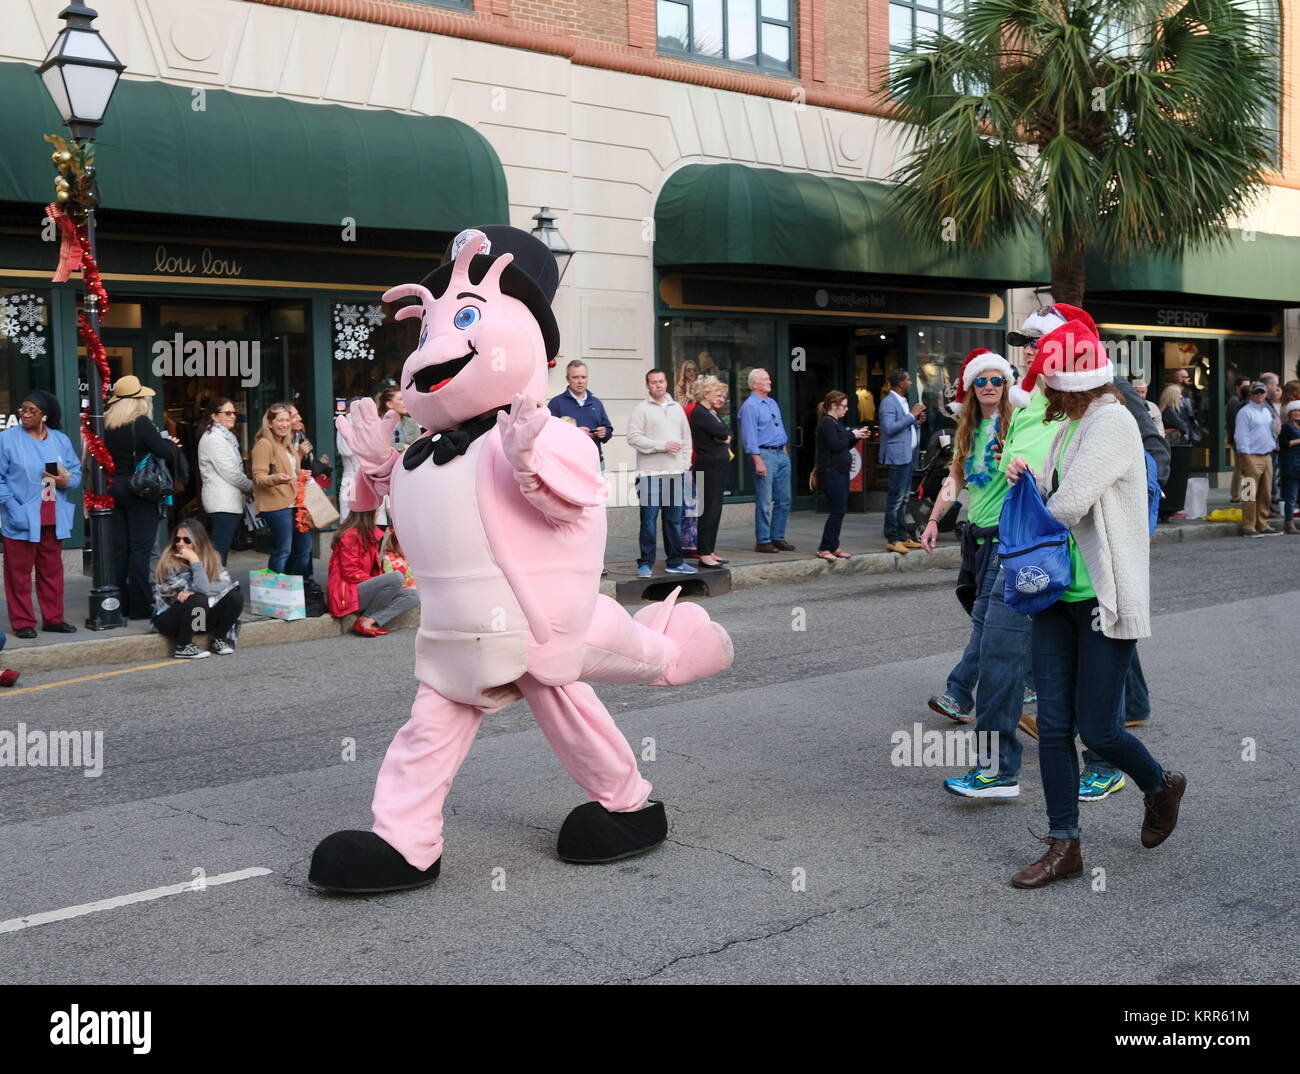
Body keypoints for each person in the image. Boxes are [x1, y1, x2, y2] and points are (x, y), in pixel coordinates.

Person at [1005, 318, 1186, 889]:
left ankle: (1160, 786)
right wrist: (1026, 475)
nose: (1040, 395)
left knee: (1100, 731)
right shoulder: (1071, 425)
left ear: (1067, 383)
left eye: (1046, 383)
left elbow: (1069, 504)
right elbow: (1058, 491)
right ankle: (1065, 845)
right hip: (1057, 597)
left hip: (1103, 600)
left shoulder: (1110, 421)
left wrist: (1036, 498)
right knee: (1055, 727)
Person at [919, 350, 1029, 797]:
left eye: (996, 380)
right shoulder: (967, 430)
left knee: (988, 622)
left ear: (1006, 385)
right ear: (970, 387)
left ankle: (962, 693)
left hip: (1008, 539)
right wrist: (932, 520)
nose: (988, 387)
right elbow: (955, 481)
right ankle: (1028, 690)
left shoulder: (1017, 424)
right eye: (980, 381)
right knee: (991, 625)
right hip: (976, 538)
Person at [0, 389, 82, 638]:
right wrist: (13, 507)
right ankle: (23, 622)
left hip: (53, 515)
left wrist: (64, 480)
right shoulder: (7, 439)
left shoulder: (61, 440)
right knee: (18, 575)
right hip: (21, 516)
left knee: (52, 571)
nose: (24, 414)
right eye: (22, 409)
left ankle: (53, 619)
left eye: (31, 411)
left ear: (44, 416)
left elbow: (76, 475)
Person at [103, 376, 180, 621]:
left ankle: (119, 604)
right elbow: (164, 452)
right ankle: (139, 606)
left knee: (120, 550)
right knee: (141, 550)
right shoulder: (142, 423)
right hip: (140, 489)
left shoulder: (106, 424)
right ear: (138, 400)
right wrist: (170, 443)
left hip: (115, 487)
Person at [627, 368, 696, 578]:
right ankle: (645, 564)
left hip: (675, 473)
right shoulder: (641, 409)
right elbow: (633, 438)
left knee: (674, 521)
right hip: (650, 475)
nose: (658, 385)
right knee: (648, 521)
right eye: (653, 382)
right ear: (647, 385)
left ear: (667, 383)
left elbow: (687, 439)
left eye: (661, 381)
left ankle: (675, 561)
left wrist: (684, 465)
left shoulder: (677, 409)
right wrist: (661, 445)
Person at [152, 518, 243, 659]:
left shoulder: (212, 557)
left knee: (234, 596)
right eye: (177, 539)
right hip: (170, 619)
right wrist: (195, 561)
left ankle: (218, 639)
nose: (180, 544)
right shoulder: (169, 562)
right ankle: (183, 646)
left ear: (198, 541)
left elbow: (226, 584)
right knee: (199, 599)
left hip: (198, 620)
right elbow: (202, 589)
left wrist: (200, 589)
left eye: (186, 540)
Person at [327, 508, 418, 637]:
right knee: (396, 578)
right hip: (347, 594)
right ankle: (366, 619)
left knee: (413, 595)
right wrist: (378, 582)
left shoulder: (369, 534)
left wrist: (379, 582)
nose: (377, 515)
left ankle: (369, 620)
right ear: (366, 514)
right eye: (375, 512)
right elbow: (350, 572)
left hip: (360, 589)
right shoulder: (350, 535)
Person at [252, 402, 313, 575]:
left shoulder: (287, 444)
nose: (284, 424)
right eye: (280, 420)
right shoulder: (265, 444)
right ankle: (275, 592)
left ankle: (295, 589)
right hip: (276, 505)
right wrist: (276, 479)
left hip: (294, 504)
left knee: (303, 549)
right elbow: (258, 477)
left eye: (287, 420)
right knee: (282, 551)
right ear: (269, 423)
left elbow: (292, 471)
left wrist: (302, 474)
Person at [738, 368, 795, 553]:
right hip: (764, 455)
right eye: (765, 379)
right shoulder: (749, 407)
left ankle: (777, 537)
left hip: (780, 454)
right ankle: (763, 540)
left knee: (784, 499)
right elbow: (749, 437)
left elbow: (779, 428)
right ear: (754, 384)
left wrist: (784, 451)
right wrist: (757, 461)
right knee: (764, 500)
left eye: (769, 378)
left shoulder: (772, 403)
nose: (769, 381)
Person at [196, 397, 252, 565]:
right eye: (227, 413)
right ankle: (214, 586)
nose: (233, 416)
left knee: (221, 549)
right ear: (214, 416)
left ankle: (218, 584)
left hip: (228, 501)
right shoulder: (214, 439)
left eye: (234, 412)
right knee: (219, 550)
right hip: (222, 502)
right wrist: (252, 487)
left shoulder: (225, 437)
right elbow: (231, 473)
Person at [814, 390, 868, 562]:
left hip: (840, 472)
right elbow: (836, 445)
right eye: (843, 406)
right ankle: (824, 547)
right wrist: (852, 434)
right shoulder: (827, 423)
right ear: (833, 406)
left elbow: (844, 445)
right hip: (831, 472)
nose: (846, 409)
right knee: (837, 510)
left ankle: (833, 545)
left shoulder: (835, 423)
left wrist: (856, 437)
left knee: (840, 509)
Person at [878, 367, 926, 554]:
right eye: (908, 379)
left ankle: (903, 535)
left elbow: (905, 425)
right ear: (900, 383)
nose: (911, 382)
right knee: (895, 499)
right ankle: (892, 537)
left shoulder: (902, 401)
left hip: (907, 455)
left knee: (904, 499)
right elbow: (889, 428)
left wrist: (916, 421)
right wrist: (911, 416)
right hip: (897, 457)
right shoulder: (889, 403)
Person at [687, 375, 733, 569]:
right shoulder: (700, 412)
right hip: (708, 465)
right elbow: (723, 434)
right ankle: (704, 553)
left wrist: (724, 436)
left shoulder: (711, 412)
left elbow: (728, 432)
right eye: (716, 391)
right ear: (706, 392)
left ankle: (710, 549)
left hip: (717, 464)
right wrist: (723, 437)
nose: (720, 395)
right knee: (709, 510)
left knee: (715, 509)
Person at [547, 360, 613, 470]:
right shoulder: (556, 403)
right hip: (568, 465)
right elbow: (549, 435)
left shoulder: (596, 403)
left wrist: (604, 433)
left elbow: (608, 430)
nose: (580, 381)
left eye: (583, 377)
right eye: (575, 377)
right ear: (568, 379)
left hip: (595, 462)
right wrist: (576, 433)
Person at [1234, 382, 1278, 537]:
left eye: (1262, 392)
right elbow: (1241, 436)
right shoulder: (1244, 412)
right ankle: (1248, 527)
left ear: (1266, 394)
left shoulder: (1266, 410)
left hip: (1267, 455)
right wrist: (1245, 457)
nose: (1259, 395)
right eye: (1256, 392)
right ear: (1251, 394)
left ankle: (1262, 524)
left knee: (1266, 493)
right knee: (1249, 493)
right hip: (1250, 456)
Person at [1279, 400, 1300, 535]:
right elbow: (1283, 444)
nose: (1297, 413)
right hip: (1291, 464)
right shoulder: (1287, 427)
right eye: (1294, 411)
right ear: (1289, 413)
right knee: (1290, 496)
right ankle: (1289, 523)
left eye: (1299, 411)